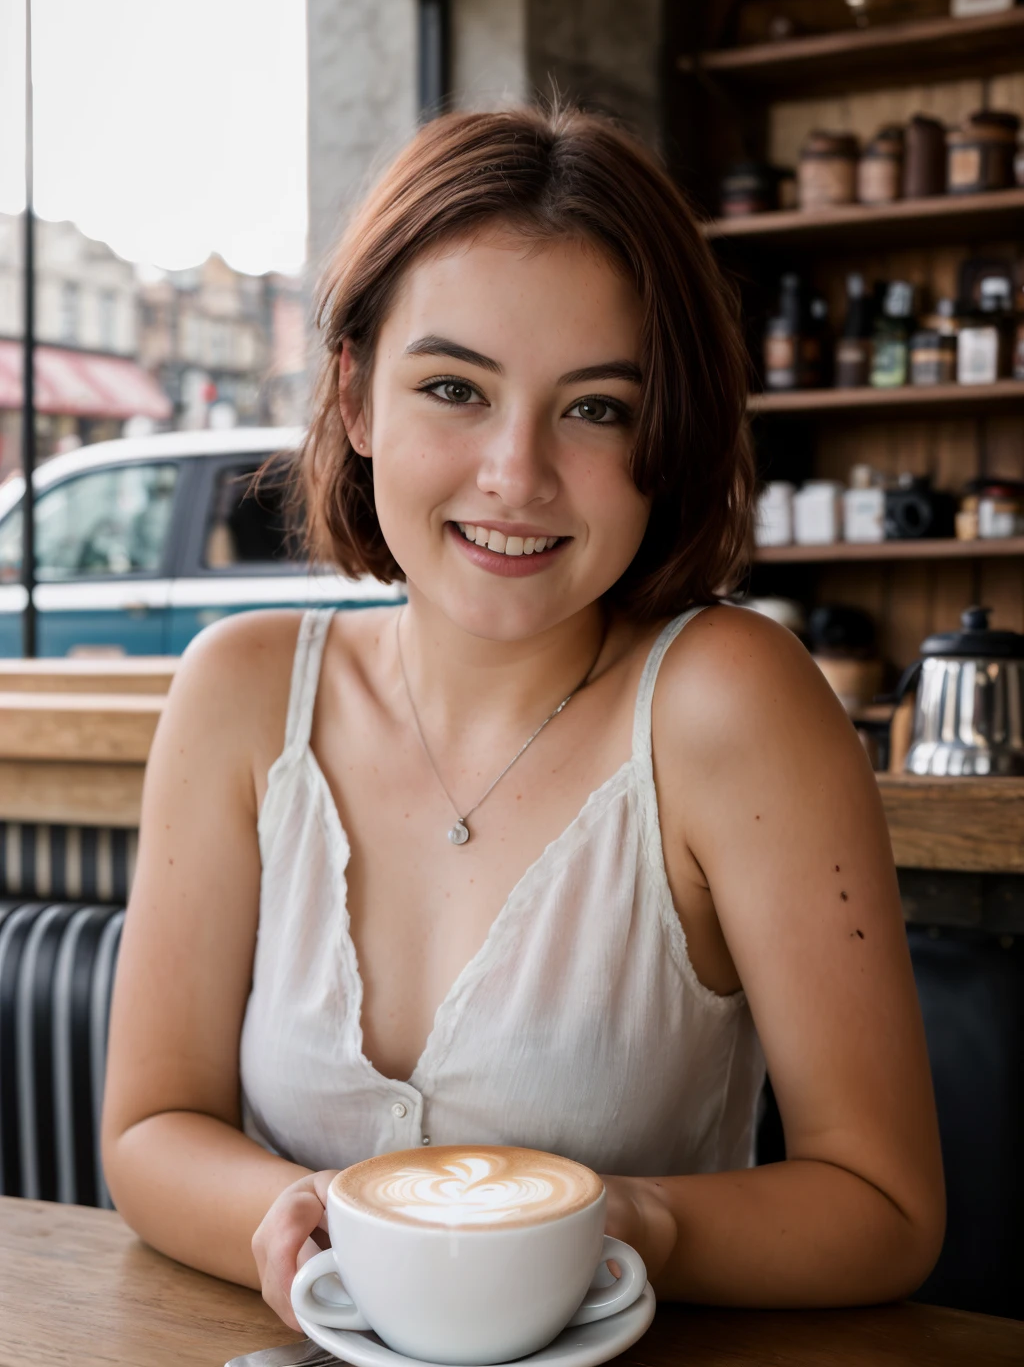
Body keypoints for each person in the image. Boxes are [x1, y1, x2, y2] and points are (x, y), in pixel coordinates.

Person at [101, 105, 944, 1329]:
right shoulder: (238, 693)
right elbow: (147, 1126)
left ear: (665, 433)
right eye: (453, 387)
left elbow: (885, 1206)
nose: (515, 472)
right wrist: (290, 1221)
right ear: (356, 398)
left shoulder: (731, 704)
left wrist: (636, 1220)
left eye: (595, 407)